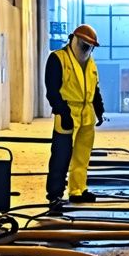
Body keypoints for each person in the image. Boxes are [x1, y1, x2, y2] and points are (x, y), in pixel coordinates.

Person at [45, 24, 106, 207]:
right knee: (61, 156)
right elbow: (52, 91)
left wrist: (99, 109)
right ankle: (55, 194)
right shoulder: (58, 59)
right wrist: (62, 111)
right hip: (67, 113)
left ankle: (77, 190)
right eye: (85, 45)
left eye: (90, 47)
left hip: (86, 114)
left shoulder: (90, 63)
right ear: (75, 40)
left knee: (82, 156)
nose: (87, 49)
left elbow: (94, 89)